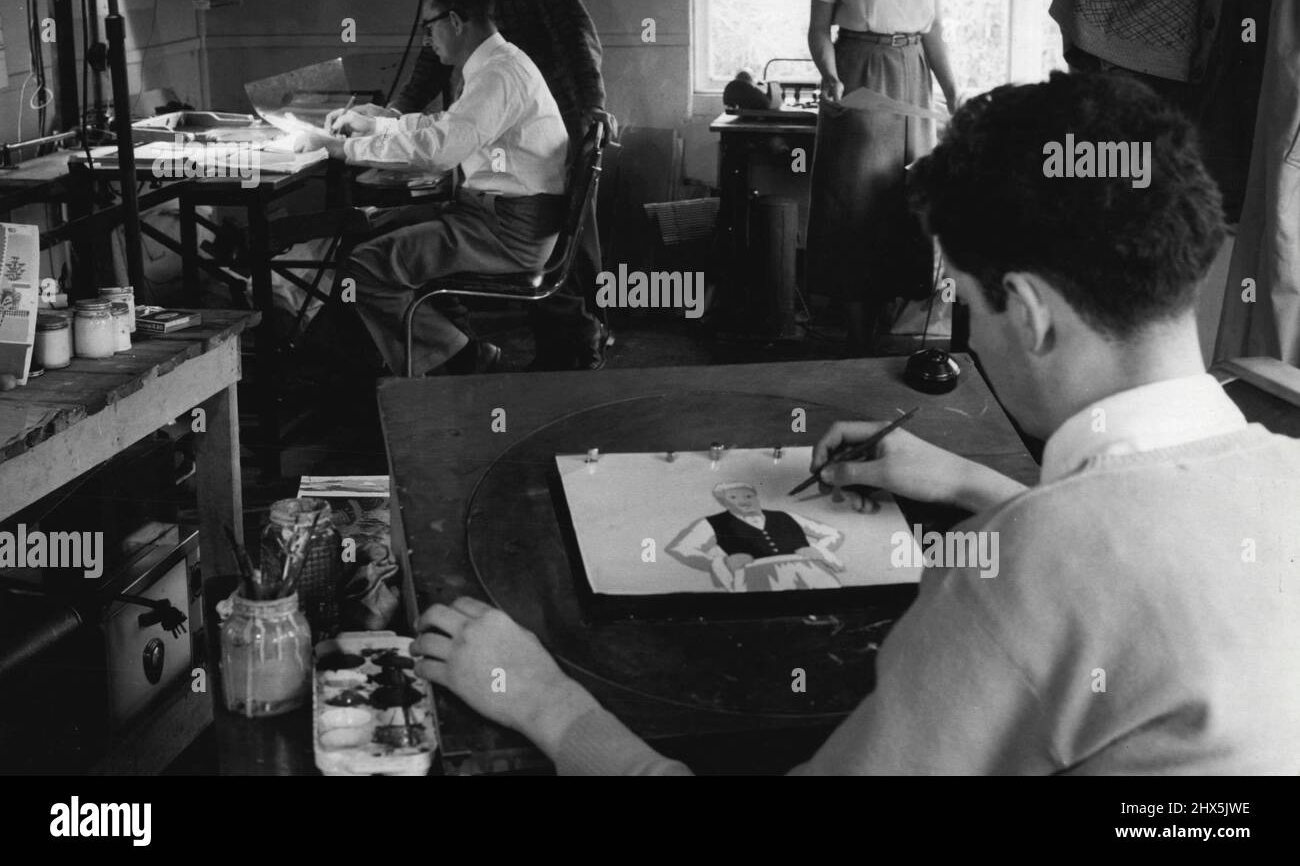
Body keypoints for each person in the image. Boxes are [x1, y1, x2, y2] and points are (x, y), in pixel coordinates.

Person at [407, 71, 1300, 774]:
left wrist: (547, 705)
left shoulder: (1035, 577)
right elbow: (1150, 533)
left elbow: (1077, 570)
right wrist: (974, 485)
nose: (972, 331)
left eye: (970, 304)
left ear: (1027, 310)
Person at [341, 0, 613, 371]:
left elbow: (575, 36)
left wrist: (592, 109)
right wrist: (395, 115)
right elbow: (433, 54)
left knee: (563, 255)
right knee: (464, 222)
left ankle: (573, 350)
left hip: (549, 121)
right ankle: (460, 350)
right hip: (492, 129)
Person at [291, 0, 569, 377]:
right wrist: (379, 124)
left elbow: (439, 149)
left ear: (455, 21)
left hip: (508, 231)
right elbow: (445, 128)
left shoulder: (498, 75)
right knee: (370, 230)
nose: (427, 39)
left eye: (429, 27)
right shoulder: (498, 64)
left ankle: (460, 361)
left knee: (365, 266)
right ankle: (431, 351)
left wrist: (342, 147)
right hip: (498, 216)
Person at [806, 0, 958, 352]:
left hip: (913, 70)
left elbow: (933, 27)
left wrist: (953, 90)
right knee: (855, 204)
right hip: (859, 69)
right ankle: (855, 341)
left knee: (907, 200)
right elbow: (818, 28)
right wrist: (829, 73)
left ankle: (891, 337)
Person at [667, 482, 845, 593]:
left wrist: (818, 550)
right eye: (734, 497)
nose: (743, 500)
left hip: (810, 572)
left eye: (748, 496)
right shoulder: (713, 522)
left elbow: (834, 533)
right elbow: (681, 548)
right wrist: (724, 562)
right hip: (757, 578)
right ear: (723, 502)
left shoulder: (784, 515)